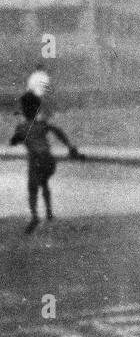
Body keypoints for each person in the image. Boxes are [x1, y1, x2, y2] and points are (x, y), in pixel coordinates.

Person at [9, 91, 81, 234]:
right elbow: (58, 131)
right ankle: (48, 211)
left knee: (33, 189)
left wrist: (17, 138)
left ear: (23, 110)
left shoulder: (21, 127)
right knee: (44, 183)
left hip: (36, 160)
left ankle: (35, 216)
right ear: (37, 110)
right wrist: (70, 147)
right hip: (49, 160)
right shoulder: (42, 124)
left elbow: (14, 142)